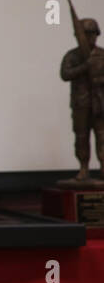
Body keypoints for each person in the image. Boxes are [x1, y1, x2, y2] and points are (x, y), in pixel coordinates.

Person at [59, 16, 104, 181]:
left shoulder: (101, 55)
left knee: (102, 136)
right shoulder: (73, 56)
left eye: (92, 34)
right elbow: (65, 74)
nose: (89, 37)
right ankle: (84, 168)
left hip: (100, 103)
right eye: (86, 34)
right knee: (81, 136)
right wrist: (85, 67)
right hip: (81, 103)